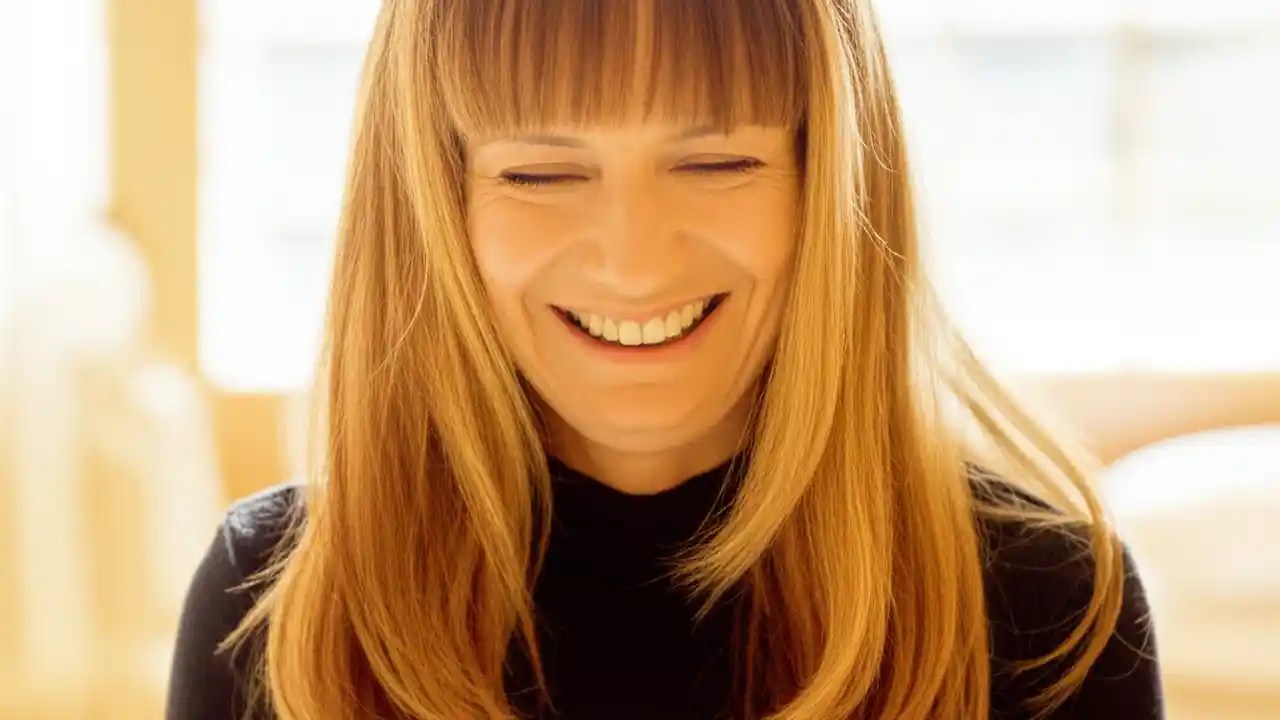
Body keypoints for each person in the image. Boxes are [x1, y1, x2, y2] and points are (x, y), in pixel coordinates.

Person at [166, 1, 1164, 718]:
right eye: (540, 171)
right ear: (431, 203)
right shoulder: (282, 598)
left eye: (716, 162)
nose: (632, 261)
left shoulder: (1048, 605)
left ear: (831, 180)